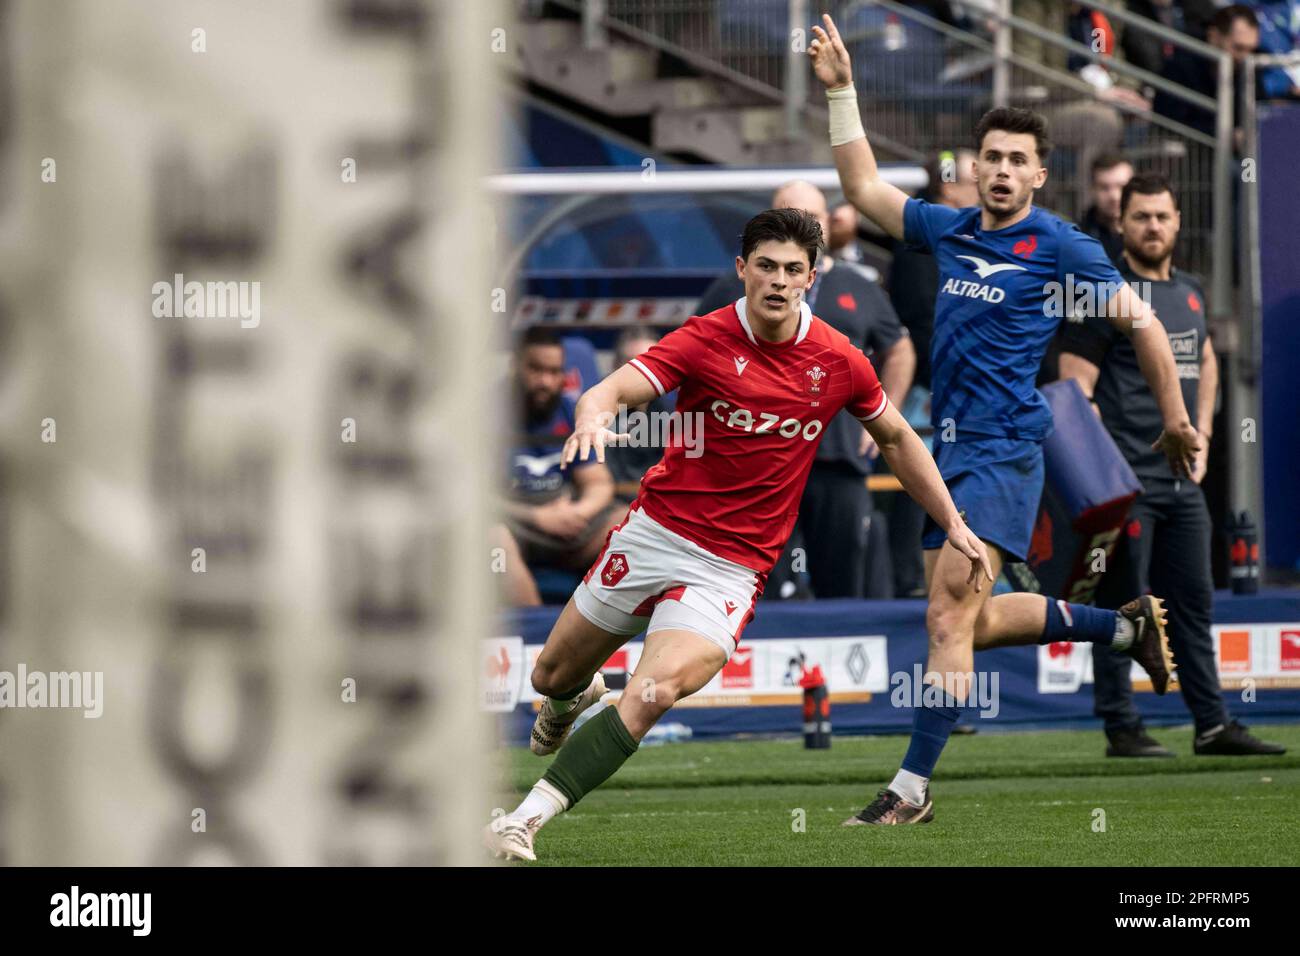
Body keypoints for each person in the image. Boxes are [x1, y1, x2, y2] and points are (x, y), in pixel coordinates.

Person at [484, 207, 992, 861]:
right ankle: (570, 695)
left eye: (792, 269)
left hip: (730, 568)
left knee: (654, 689)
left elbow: (895, 436)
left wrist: (952, 523)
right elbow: (611, 390)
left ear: (811, 277)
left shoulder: (838, 360)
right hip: (654, 532)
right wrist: (592, 416)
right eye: (766, 266)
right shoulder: (703, 338)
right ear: (741, 270)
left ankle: (522, 820)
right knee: (551, 671)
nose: (778, 281)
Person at [809, 13, 1199, 824]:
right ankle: (1120, 627)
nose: (1001, 170)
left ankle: (909, 790)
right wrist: (842, 91)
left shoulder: (1062, 248)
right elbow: (863, 190)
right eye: (991, 157)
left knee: (947, 617)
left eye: (1018, 160)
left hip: (1004, 453)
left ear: (1040, 176)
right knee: (971, 624)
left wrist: (1178, 418)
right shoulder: (946, 230)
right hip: (943, 456)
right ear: (975, 166)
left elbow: (1146, 325)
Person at [1057, 173, 1286, 758]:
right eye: (1141, 217)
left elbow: (1206, 360)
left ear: (1178, 221)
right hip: (1124, 483)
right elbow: (1072, 388)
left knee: (1194, 603)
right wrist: (1104, 474)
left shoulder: (1190, 289)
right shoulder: (1101, 293)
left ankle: (1212, 725)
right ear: (1121, 223)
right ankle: (1120, 726)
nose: (1152, 226)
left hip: (1182, 483)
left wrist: (1204, 431)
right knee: (1121, 608)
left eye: (1162, 216)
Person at [697, 180, 917, 598]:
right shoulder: (733, 286)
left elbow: (900, 348)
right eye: (789, 214)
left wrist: (887, 412)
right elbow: (693, 354)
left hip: (838, 461)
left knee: (841, 589)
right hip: (756, 466)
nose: (802, 226)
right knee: (756, 586)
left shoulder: (860, 285)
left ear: (829, 226)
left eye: (813, 217)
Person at [494, 327, 620, 607]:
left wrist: (577, 512)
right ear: (515, 366)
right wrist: (538, 517)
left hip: (566, 522)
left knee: (631, 526)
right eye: (536, 370)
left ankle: (602, 630)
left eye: (554, 372)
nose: (546, 381)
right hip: (516, 521)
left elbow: (598, 483)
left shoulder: (569, 410)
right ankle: (535, 638)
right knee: (493, 539)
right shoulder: (487, 413)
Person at [603, 326, 676, 506]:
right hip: (612, 507)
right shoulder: (600, 416)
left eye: (652, 364)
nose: (643, 374)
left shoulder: (679, 413)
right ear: (614, 367)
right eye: (632, 365)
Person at [1079, 153, 1133, 264]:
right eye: (1104, 187)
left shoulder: (1151, 231)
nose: (1114, 196)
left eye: (1121, 187)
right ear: (1092, 189)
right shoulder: (1077, 237)